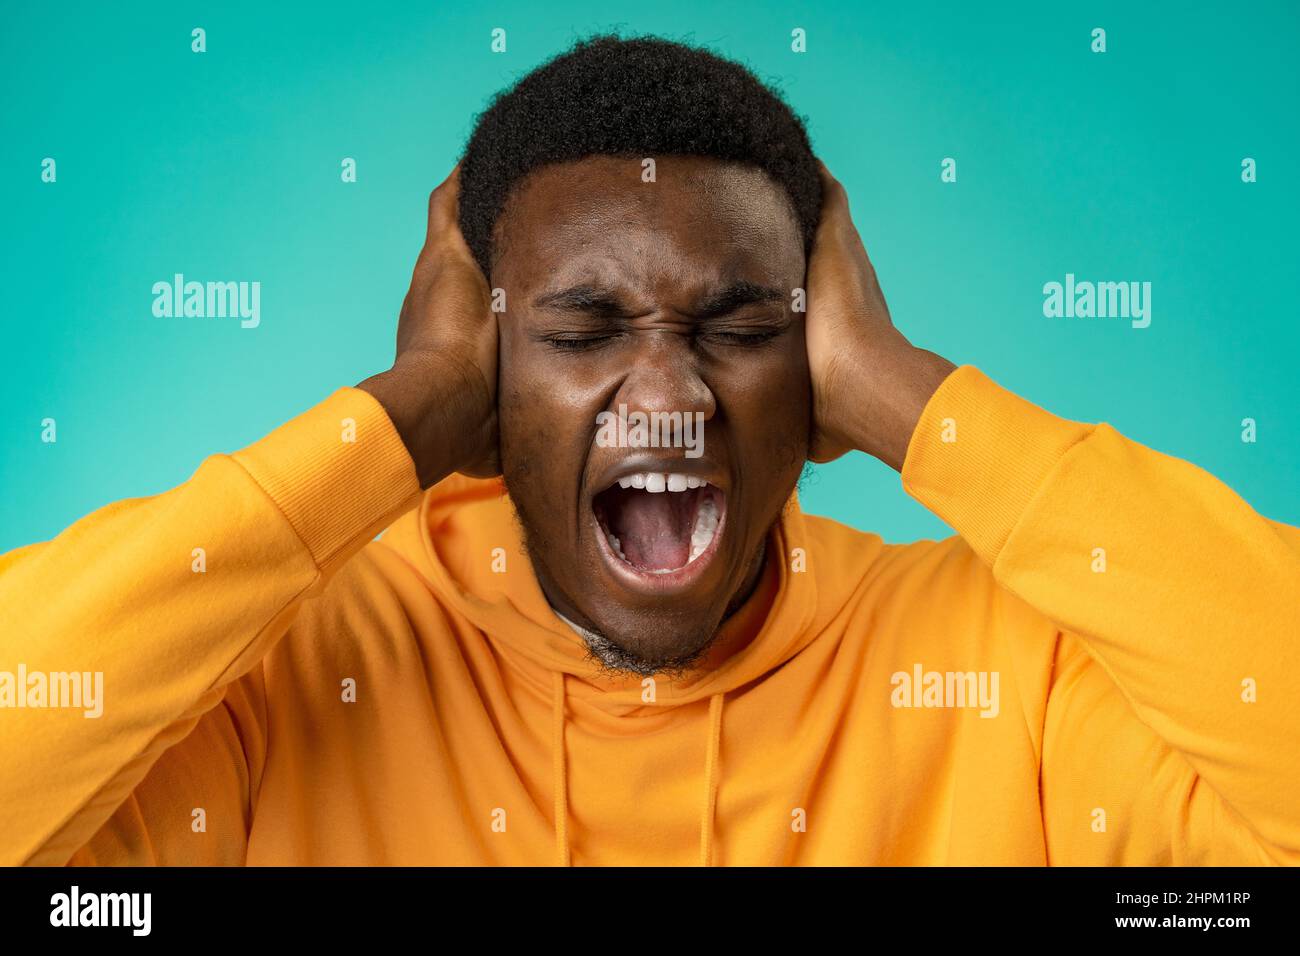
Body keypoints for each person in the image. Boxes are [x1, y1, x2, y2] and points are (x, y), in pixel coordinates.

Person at [2, 35, 1296, 867]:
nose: (670, 388)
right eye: (580, 329)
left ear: (814, 388)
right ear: (492, 389)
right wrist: (397, 423)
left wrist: (912, 398)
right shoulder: (289, 671)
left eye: (740, 328)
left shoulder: (994, 667)